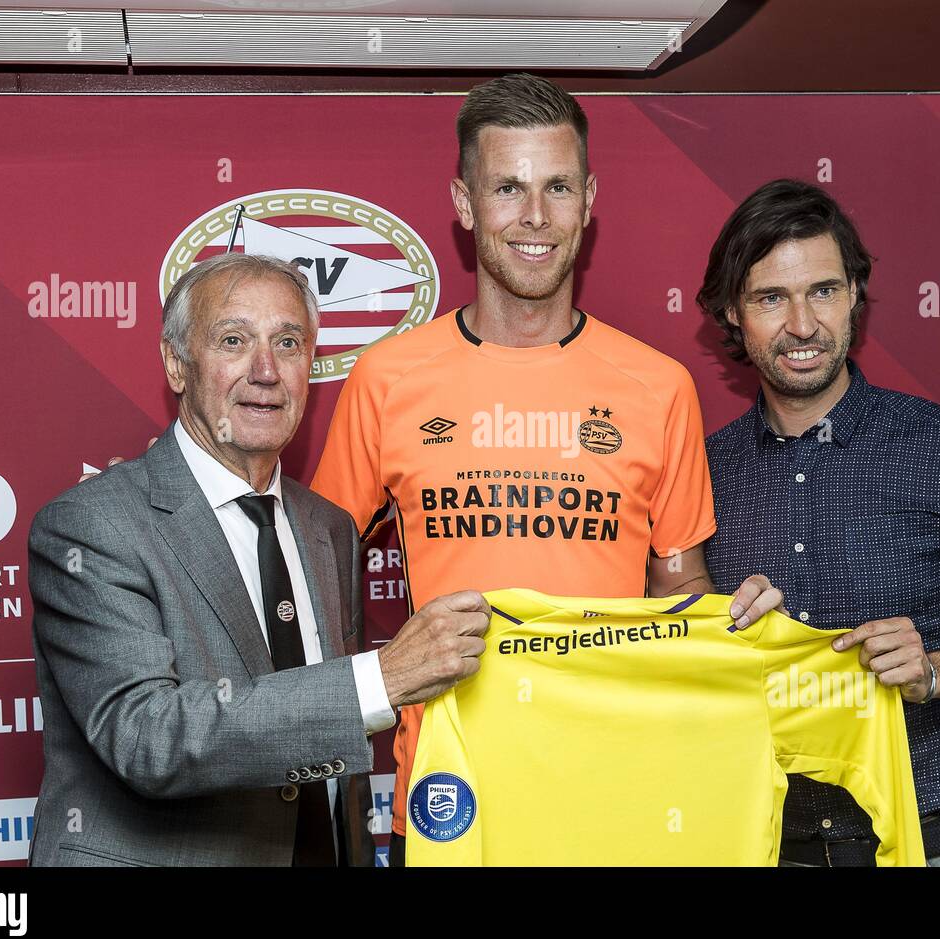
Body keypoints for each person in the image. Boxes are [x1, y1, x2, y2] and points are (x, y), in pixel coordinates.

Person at [310, 74, 783, 865]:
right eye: (508, 188)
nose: (535, 216)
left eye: (557, 186)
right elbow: (315, 580)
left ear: (589, 199)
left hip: (613, 781)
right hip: (450, 792)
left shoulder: (658, 385)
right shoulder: (387, 380)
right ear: (464, 204)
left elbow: (679, 592)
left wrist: (730, 626)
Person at [28, 253, 488, 867]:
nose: (266, 371)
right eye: (233, 340)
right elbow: (148, 738)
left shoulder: (330, 528)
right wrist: (381, 679)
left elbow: (325, 749)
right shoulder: (93, 526)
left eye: (289, 343)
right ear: (175, 363)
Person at [696, 179, 940, 866]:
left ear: (855, 297)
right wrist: (710, 631)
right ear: (731, 311)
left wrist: (936, 670)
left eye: (824, 291)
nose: (803, 325)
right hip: (766, 838)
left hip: (939, 834)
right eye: (771, 298)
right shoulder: (701, 470)